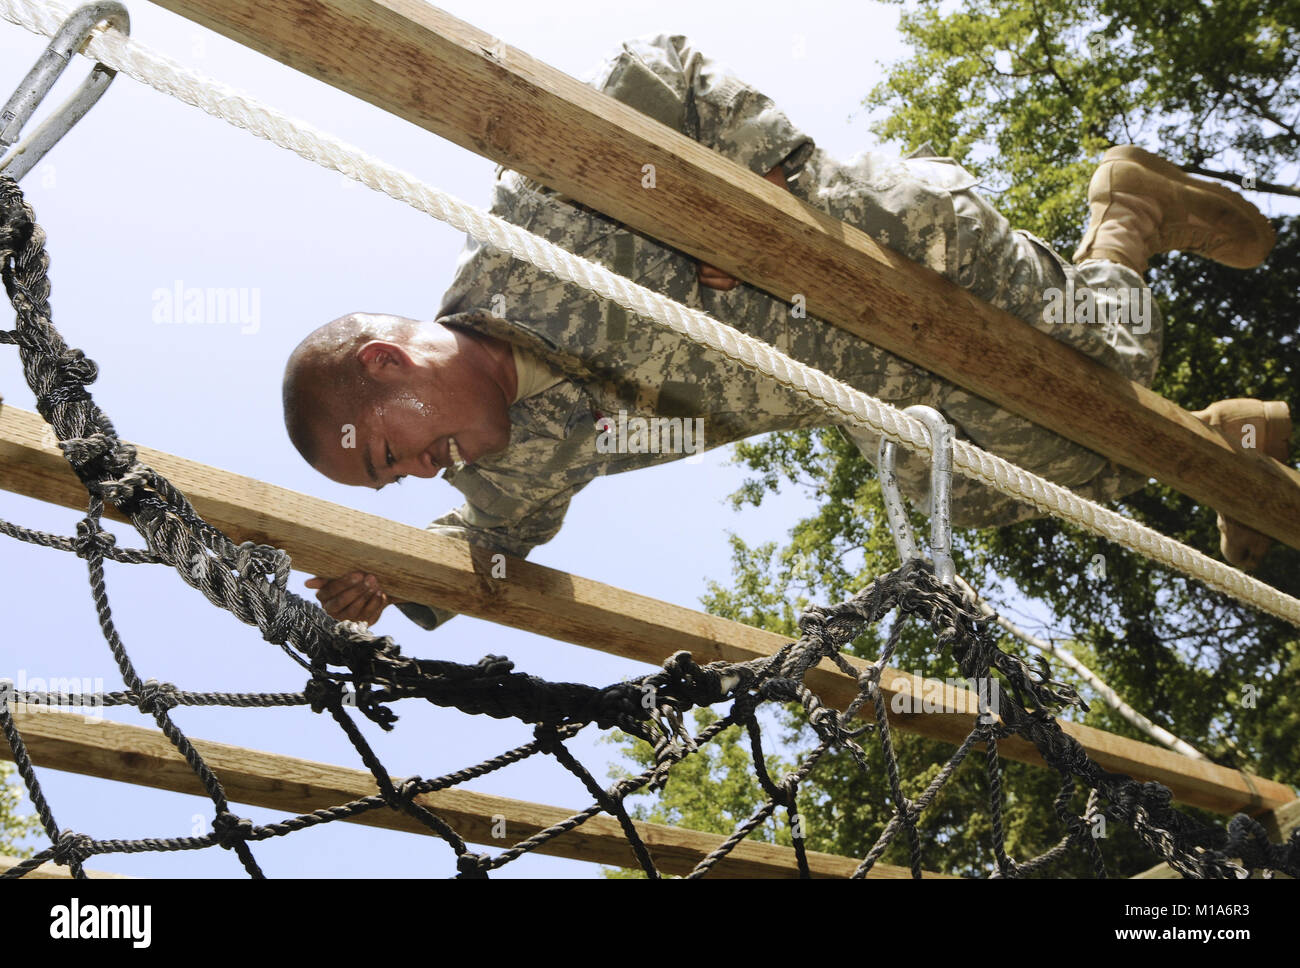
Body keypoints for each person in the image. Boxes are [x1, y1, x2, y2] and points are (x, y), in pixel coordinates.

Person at [282, 34, 1287, 630]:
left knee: (1112, 367)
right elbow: (484, 544)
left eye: (388, 451)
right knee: (1029, 482)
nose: (418, 472)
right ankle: (1230, 443)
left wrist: (766, 190)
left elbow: (657, 66)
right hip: (889, 396)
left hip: (902, 256)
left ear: (387, 360)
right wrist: (389, 572)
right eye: (391, 482)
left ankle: (1131, 211)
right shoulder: (510, 465)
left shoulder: (534, 237)